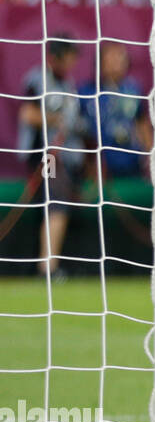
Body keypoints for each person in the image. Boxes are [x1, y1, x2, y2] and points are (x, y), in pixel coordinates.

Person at [16, 38, 88, 278]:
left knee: (59, 203)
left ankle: (49, 263)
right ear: (56, 55)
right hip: (46, 155)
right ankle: (48, 266)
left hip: (67, 155)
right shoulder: (38, 79)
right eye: (68, 56)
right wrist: (57, 120)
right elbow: (28, 114)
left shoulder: (68, 83)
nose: (71, 62)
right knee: (56, 203)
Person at [79, 40, 152, 182]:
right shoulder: (86, 92)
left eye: (121, 57)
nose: (119, 61)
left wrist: (150, 154)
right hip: (100, 167)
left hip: (131, 163)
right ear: (100, 62)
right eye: (113, 57)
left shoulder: (133, 90)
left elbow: (142, 123)